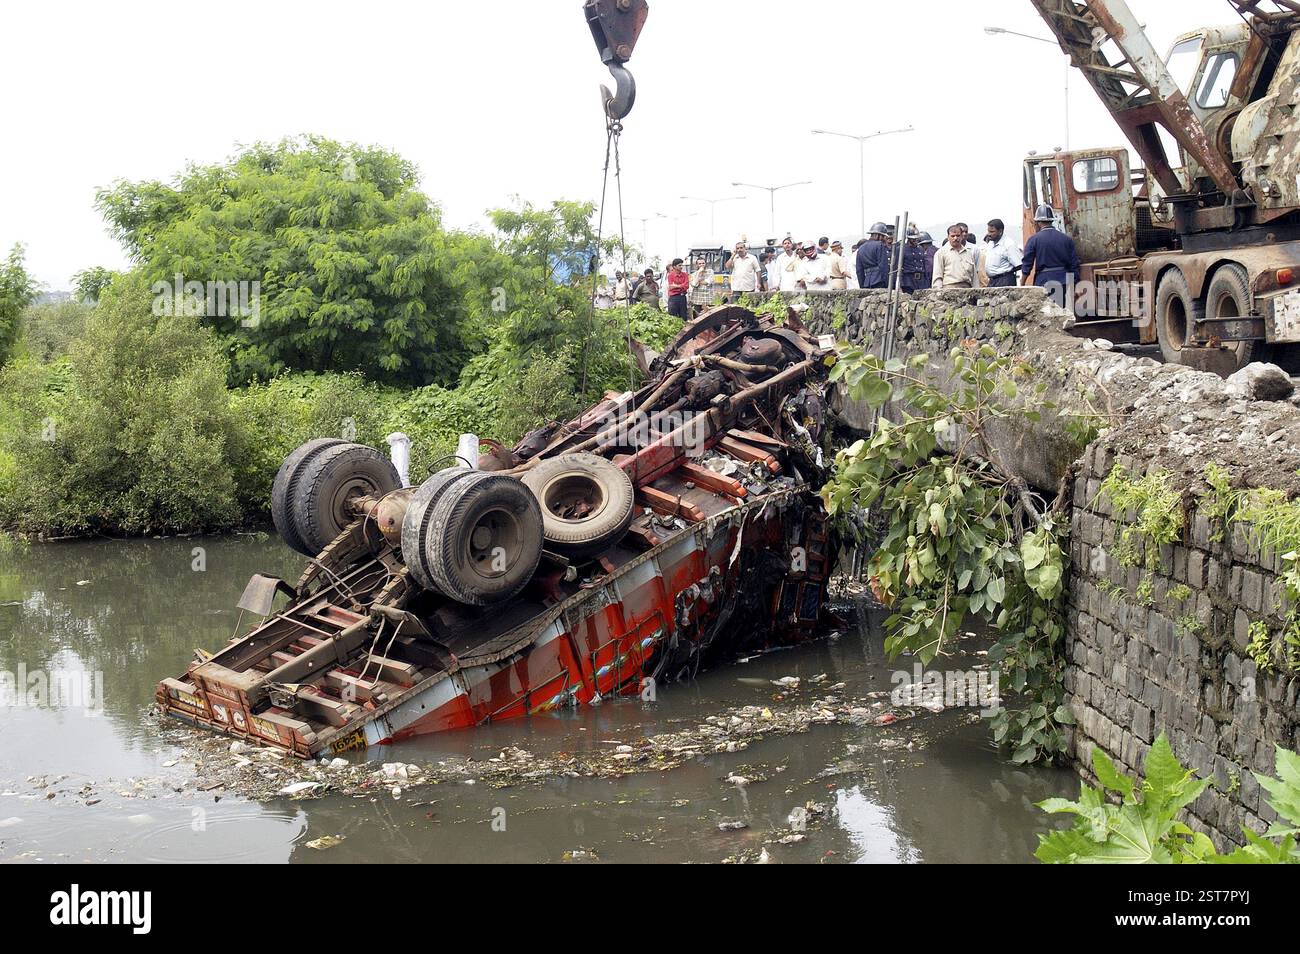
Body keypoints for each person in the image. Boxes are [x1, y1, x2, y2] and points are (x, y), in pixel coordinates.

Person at [1022, 204, 1081, 305]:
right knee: (1059, 308)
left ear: (1038, 222)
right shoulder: (1066, 239)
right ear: (1052, 220)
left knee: (1045, 312)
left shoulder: (1034, 240)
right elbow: (1074, 265)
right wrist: (1075, 285)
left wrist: (1022, 283)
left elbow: (1027, 264)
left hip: (1043, 281)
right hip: (1063, 281)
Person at [932, 224, 977, 288]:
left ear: (961, 236)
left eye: (958, 236)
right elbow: (937, 276)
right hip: (949, 289)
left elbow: (974, 277)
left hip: (967, 289)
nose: (955, 238)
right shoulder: (941, 253)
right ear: (948, 237)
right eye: (952, 236)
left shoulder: (968, 253)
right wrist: (938, 292)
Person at [982, 218, 1023, 287]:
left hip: (1004, 280)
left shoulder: (1008, 244)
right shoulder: (991, 243)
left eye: (992, 232)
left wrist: (1006, 271)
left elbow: (1019, 264)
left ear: (1000, 231)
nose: (989, 234)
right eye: (988, 231)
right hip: (992, 281)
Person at [855, 222, 891, 289]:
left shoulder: (861, 248)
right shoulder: (879, 245)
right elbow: (883, 267)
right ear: (878, 235)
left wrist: (862, 286)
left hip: (867, 283)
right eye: (883, 236)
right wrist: (887, 283)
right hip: (879, 281)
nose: (884, 238)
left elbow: (859, 271)